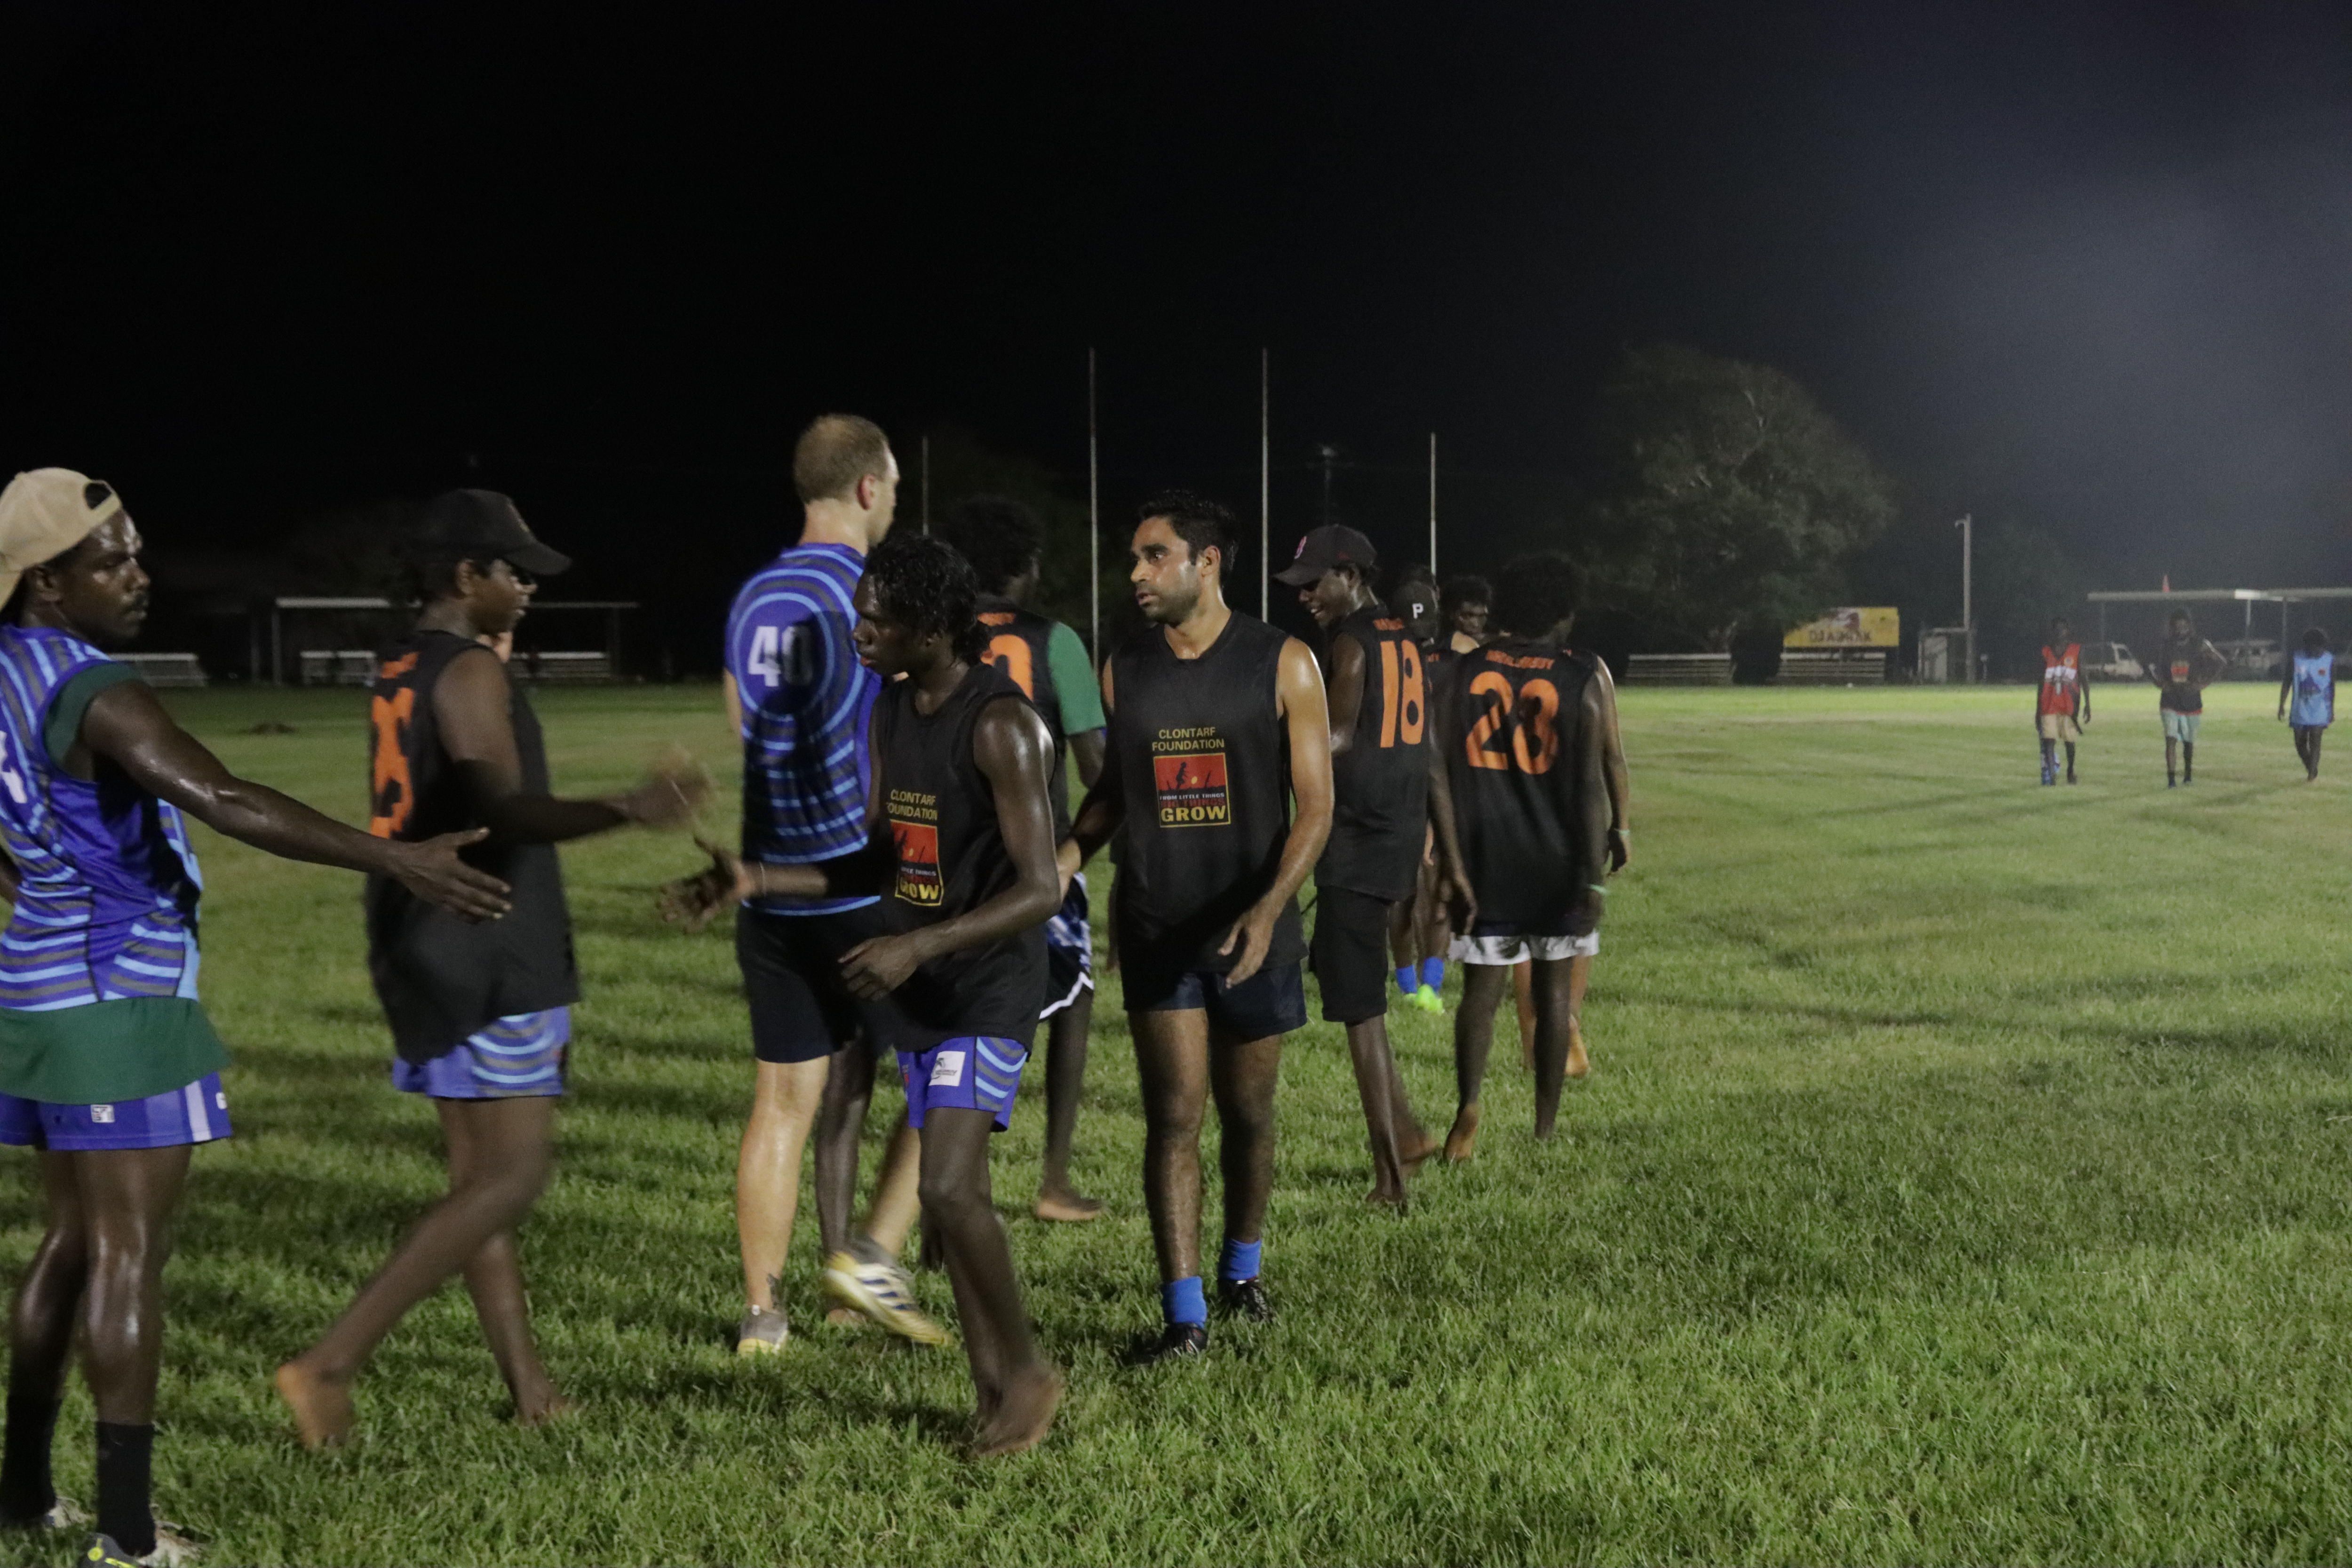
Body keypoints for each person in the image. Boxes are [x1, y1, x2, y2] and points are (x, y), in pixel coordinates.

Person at [0, 470, 509, 1566]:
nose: (139, 576)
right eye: (113, 559)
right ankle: (129, 1534)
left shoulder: (4, 669)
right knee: (128, 1254)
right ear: (46, 580)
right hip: (119, 1001)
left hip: (35, 988)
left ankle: (24, 1495)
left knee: (70, 1244)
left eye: (134, 550)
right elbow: (223, 796)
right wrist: (389, 854)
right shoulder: (93, 686)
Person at [275, 491, 706, 1449]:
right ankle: (328, 1362)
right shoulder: (470, 670)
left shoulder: (399, 664)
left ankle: (531, 1391)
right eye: (512, 572)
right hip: (489, 941)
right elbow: (503, 812)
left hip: (416, 933)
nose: (525, 589)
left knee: (478, 1182)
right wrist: (635, 806)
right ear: (466, 577)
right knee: (512, 1176)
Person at [668, 535, 1065, 1455]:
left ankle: (1029, 1373)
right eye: (859, 614)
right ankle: (993, 1390)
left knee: (950, 1185)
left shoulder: (1001, 724)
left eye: (877, 619)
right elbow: (883, 854)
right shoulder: (890, 708)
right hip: (921, 979)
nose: (860, 633)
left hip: (987, 984)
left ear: (931, 626)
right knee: (950, 1194)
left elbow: (1041, 885)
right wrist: (757, 877)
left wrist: (918, 940)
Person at [1059, 493, 1332, 1360]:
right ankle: (1185, 1318)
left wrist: (1266, 910)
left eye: (1154, 556)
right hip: (1156, 924)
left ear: (1206, 562)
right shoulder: (1123, 667)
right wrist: (1061, 862)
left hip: (1252, 929)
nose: (1136, 574)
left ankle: (1241, 1273)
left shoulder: (1284, 662)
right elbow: (1113, 794)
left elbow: (1317, 807)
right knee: (1173, 1117)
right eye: (1135, 557)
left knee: (1248, 1115)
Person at [699, 414, 938, 1355]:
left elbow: (741, 725)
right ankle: (870, 1255)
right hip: (859, 879)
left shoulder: (754, 591)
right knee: (950, 1068)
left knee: (781, 1102)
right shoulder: (871, 595)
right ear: (871, 489)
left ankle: (765, 1313)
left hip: (770, 883)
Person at [938, 496, 1108, 1222]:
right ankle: (1054, 1178)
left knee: (959, 1020)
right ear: (1027, 568)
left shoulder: (937, 634)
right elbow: (1097, 764)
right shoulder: (1054, 640)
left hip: (946, 859)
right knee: (1074, 998)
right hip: (1039, 857)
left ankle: (958, 1180)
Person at [1278, 525, 1449, 1207]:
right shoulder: (1400, 633)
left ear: (1350, 574)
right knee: (1343, 975)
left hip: (1359, 837)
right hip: (1397, 829)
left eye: (1316, 583)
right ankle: (1405, 1131)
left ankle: (1392, 1176)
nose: (1307, 598)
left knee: (1361, 1009)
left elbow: (1342, 735)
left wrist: (1273, 730)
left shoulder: (1351, 640)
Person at [1430, 552, 1616, 1159]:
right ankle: (1542, 1128)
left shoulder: (1461, 671)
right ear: (1563, 610)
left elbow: (1432, 767)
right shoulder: (1579, 675)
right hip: (1556, 858)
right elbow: (1590, 786)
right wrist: (1593, 878)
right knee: (1554, 992)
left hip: (1485, 855)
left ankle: (1467, 1107)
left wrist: (1452, 863)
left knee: (1480, 994)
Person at [2145, 609, 2225, 788]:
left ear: (2190, 626)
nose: (2180, 630)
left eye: (2184, 626)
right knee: (2171, 738)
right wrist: (2158, 683)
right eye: (2177, 626)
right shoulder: (2165, 646)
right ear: (2172, 628)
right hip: (2170, 700)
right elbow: (2148, 664)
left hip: (2191, 700)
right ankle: (2171, 780)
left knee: (2189, 742)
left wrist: (2204, 683)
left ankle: (2188, 775)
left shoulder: (2200, 645)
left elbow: (2221, 662)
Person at [2036, 618, 2091, 785]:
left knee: (2069, 742)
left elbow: (2083, 677)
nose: (2059, 632)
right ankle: (2052, 775)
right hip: (2049, 703)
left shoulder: (2076, 650)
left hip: (2069, 704)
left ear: (2068, 631)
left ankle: (2070, 770)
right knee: (2049, 740)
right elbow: (2041, 682)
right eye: (2056, 629)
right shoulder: (2045, 652)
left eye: (2062, 629)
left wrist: (2088, 703)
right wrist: (2037, 710)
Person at [2279, 627, 2335, 781]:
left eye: (2319, 647)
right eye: (2312, 647)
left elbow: (2332, 686)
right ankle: (2311, 765)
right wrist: (2281, 706)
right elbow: (2287, 683)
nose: (2316, 650)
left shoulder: (2329, 660)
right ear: (2307, 645)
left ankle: (2312, 773)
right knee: (2300, 743)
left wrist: (2332, 709)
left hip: (2320, 709)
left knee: (2316, 741)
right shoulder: (2297, 659)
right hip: (2300, 709)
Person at [1444, 574, 1493, 656]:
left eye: (1482, 616)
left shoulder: (1495, 646)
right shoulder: (1436, 649)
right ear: (1451, 614)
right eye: (1468, 616)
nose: (1476, 624)